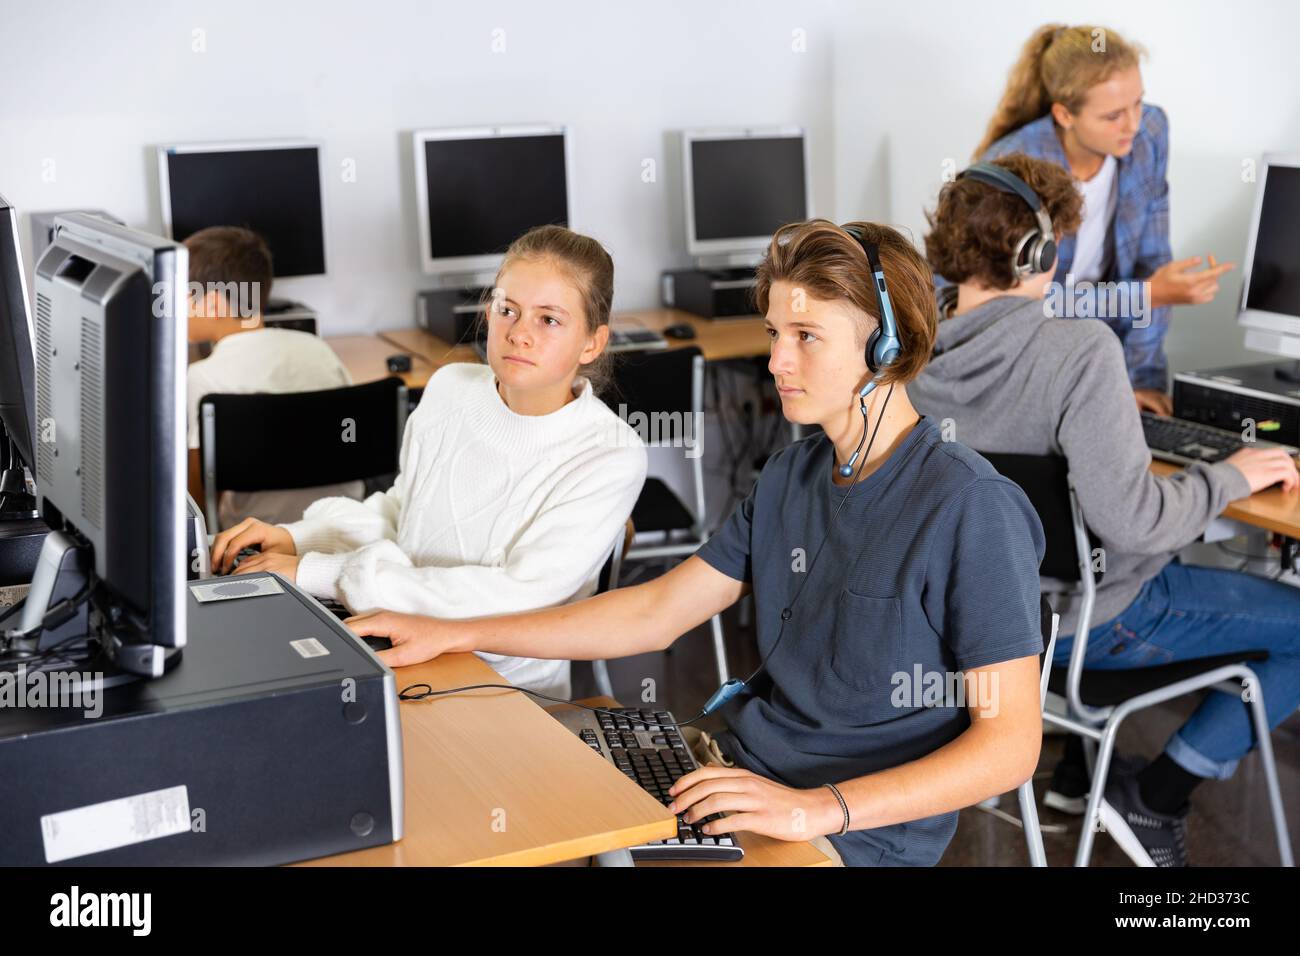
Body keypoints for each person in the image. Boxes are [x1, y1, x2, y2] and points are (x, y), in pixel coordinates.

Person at [345, 219, 1047, 867]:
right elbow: (655, 612)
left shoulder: (969, 506)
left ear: (886, 347)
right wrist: (449, 632)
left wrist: (813, 809)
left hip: (850, 832)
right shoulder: (792, 475)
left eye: (805, 336)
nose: (776, 361)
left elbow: (1010, 745)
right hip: (737, 779)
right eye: (774, 333)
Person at [911, 152, 1300, 866]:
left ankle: (1086, 776)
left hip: (972, 632)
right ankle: (1156, 796)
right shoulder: (1078, 351)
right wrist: (1231, 477)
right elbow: (1136, 523)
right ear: (1040, 250)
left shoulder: (913, 350)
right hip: (1089, 629)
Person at [211, 225, 647, 700]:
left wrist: (323, 574)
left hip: (502, 686)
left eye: (549, 320)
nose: (519, 334)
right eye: (508, 310)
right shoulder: (451, 388)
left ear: (592, 343)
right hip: (396, 634)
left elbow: (515, 597)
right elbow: (403, 513)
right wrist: (298, 537)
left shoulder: (609, 454)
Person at [973, 23, 1235, 416]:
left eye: (1138, 103)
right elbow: (1015, 310)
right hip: (1023, 370)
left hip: (1103, 359)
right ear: (1064, 114)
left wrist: (1140, 383)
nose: (1132, 124)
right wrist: (1148, 294)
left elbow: (1152, 263)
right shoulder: (1013, 169)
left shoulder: (1149, 132)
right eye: (1113, 115)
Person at [184, 225, 360, 528]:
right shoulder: (320, 350)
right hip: (340, 526)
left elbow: (197, 497)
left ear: (212, 303)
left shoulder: (203, 378)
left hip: (253, 537)